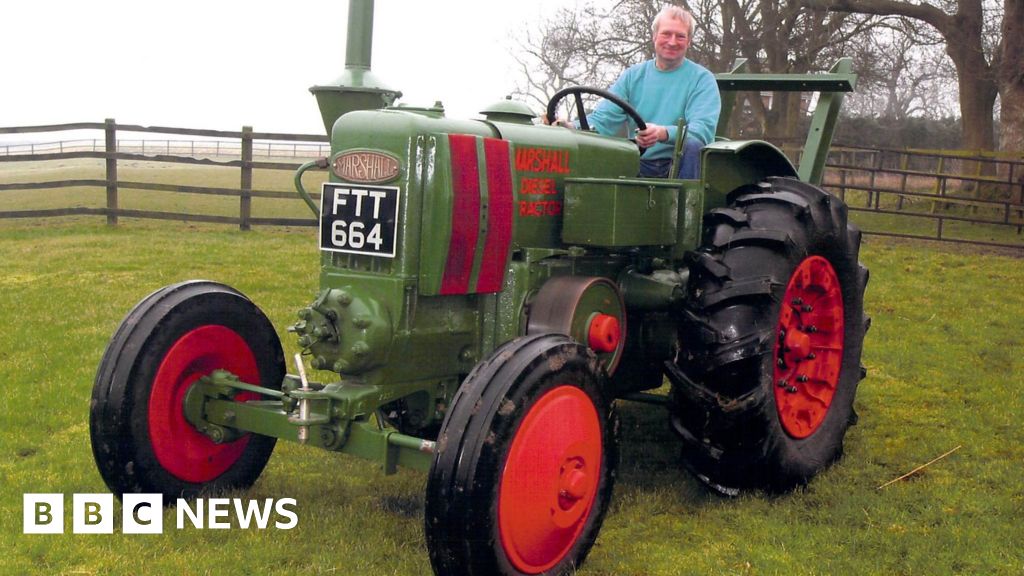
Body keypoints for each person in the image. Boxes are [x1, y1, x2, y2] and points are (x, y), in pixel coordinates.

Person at [554, 6, 720, 179]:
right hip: (638, 162)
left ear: (689, 41)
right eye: (666, 34)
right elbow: (604, 119)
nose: (672, 42)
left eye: (680, 36)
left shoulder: (702, 79)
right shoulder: (633, 76)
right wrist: (571, 127)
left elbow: (701, 131)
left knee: (693, 145)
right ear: (654, 36)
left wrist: (662, 133)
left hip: (678, 166)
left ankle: (686, 205)